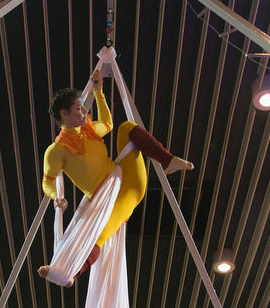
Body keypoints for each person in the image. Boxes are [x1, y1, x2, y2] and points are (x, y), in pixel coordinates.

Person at [38, 69, 193, 282]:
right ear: (64, 114)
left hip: (125, 179)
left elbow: (108, 124)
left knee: (126, 128)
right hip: (107, 198)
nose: (84, 110)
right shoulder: (56, 151)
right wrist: (56, 197)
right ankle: (72, 273)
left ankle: (168, 160)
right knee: (97, 235)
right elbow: (47, 182)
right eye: (78, 108)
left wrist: (99, 93)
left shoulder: (89, 132)